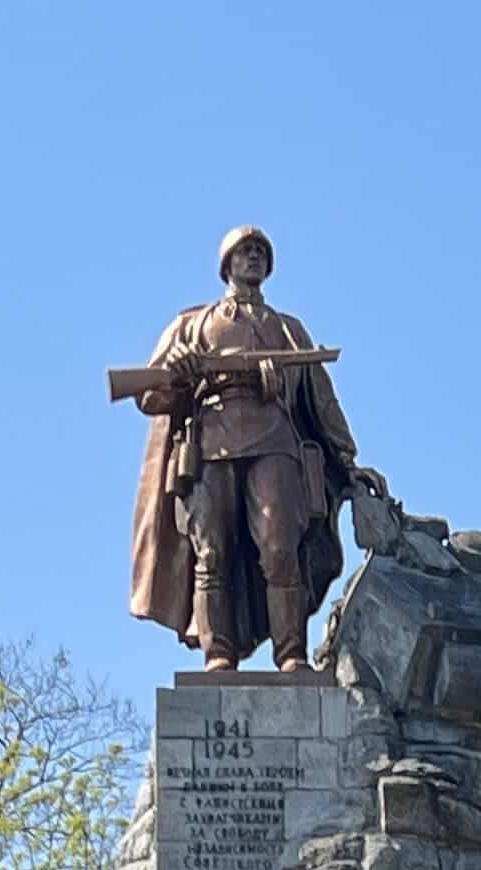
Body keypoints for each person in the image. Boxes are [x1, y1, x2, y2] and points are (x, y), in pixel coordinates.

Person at [125, 223, 361, 671]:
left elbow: (322, 399)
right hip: (210, 445)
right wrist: (181, 371)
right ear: (227, 264)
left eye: (259, 252)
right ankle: (219, 653)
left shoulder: (289, 330)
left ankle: (291, 653)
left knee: (279, 548)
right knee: (210, 553)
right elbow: (149, 395)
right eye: (244, 251)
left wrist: (348, 458)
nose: (252, 257)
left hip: (274, 442)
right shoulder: (192, 324)